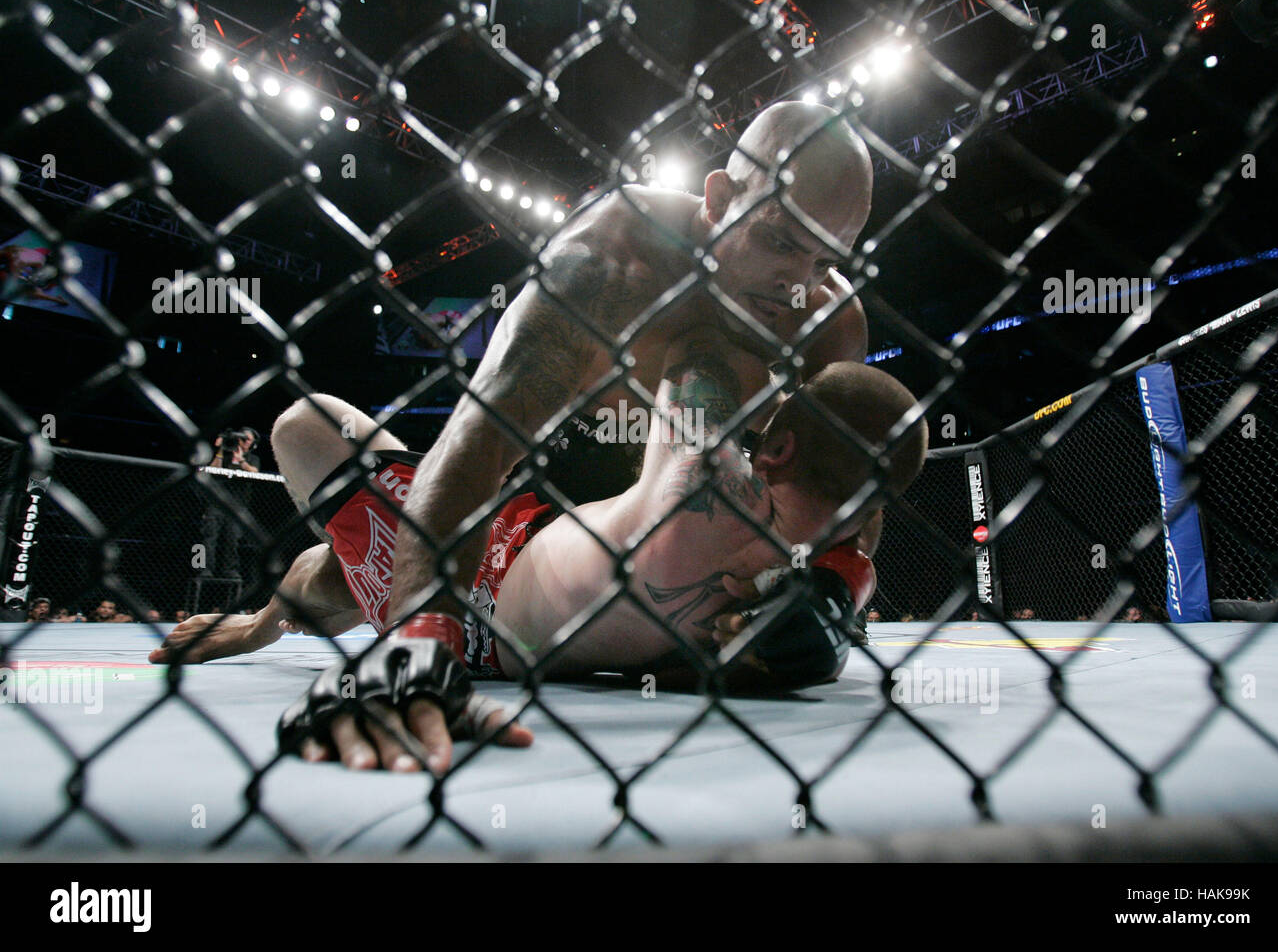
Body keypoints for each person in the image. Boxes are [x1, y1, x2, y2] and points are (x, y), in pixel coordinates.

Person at [153, 100, 877, 667]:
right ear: (719, 198)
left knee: (345, 557)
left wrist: (840, 585)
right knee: (319, 477)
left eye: (826, 261)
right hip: (526, 503)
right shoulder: (614, 259)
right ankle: (275, 616)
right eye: (782, 241)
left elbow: (854, 474)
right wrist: (422, 639)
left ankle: (290, 609)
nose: (798, 283)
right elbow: (479, 435)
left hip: (668, 545)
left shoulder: (827, 319)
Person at [275, 330, 926, 771]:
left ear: (778, 450)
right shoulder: (791, 623)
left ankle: (281, 606)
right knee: (333, 575)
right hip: (520, 529)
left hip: (466, 588)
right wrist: (844, 588)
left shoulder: (707, 474)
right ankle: (279, 608)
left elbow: (696, 334)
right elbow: (856, 520)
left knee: (305, 424)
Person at [198, 427, 261, 586]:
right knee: (208, 536)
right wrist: (220, 449)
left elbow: (255, 472)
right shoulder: (223, 455)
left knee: (232, 539)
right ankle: (202, 568)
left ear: (253, 444)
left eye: (247, 440)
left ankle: (230, 570)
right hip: (216, 503)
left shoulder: (252, 459)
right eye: (242, 438)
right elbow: (212, 470)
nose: (243, 442)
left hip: (237, 505)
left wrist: (241, 460)